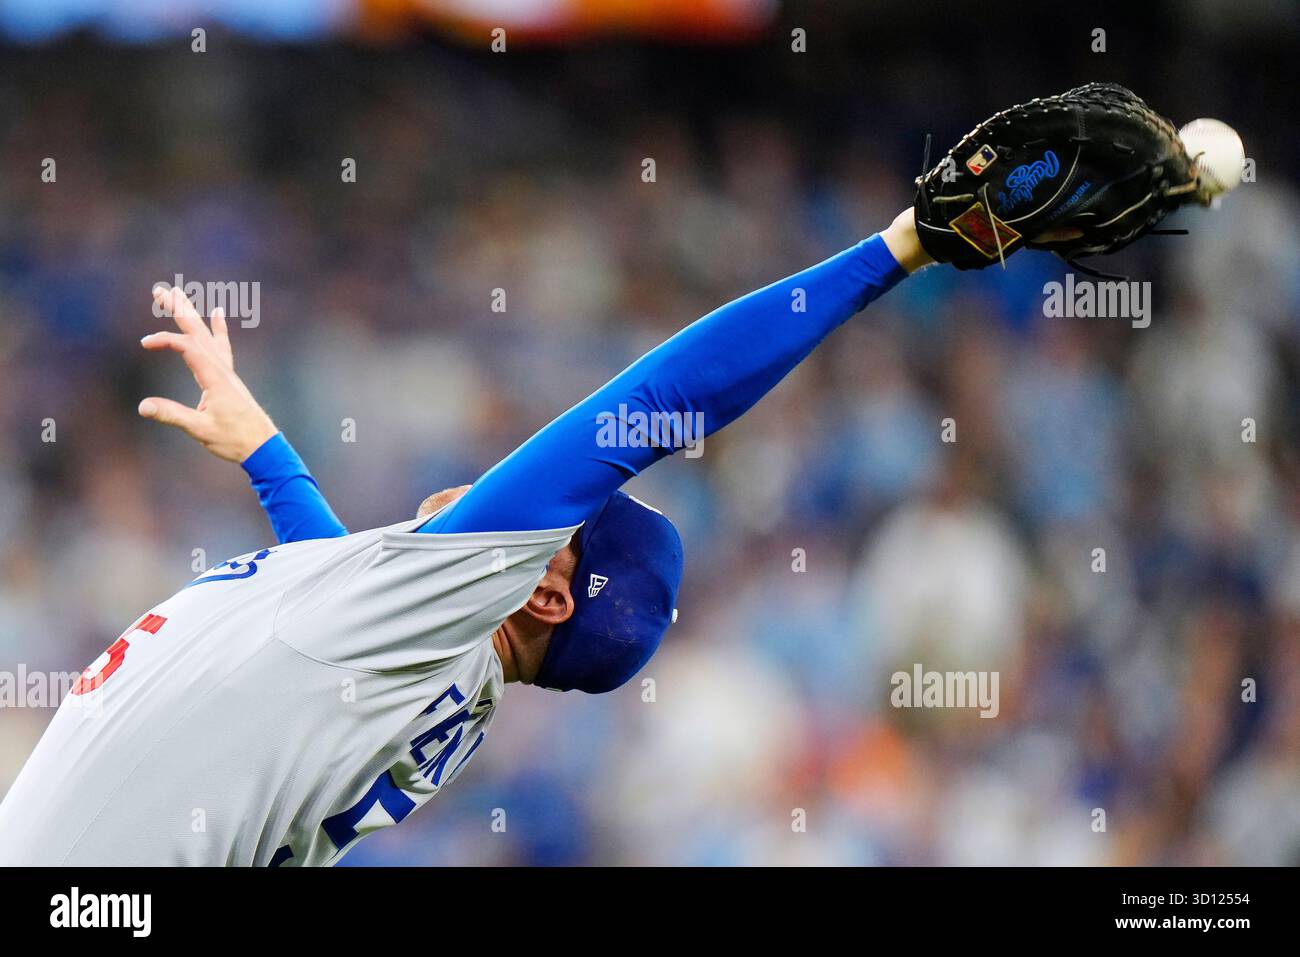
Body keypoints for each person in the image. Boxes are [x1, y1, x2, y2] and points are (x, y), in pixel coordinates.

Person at [0, 210, 932, 865]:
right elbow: (320, 608)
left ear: (545, 593)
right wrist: (269, 454)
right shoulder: (426, 667)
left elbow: (658, 403)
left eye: (562, 522)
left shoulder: (436, 618)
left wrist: (898, 248)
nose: (519, 492)